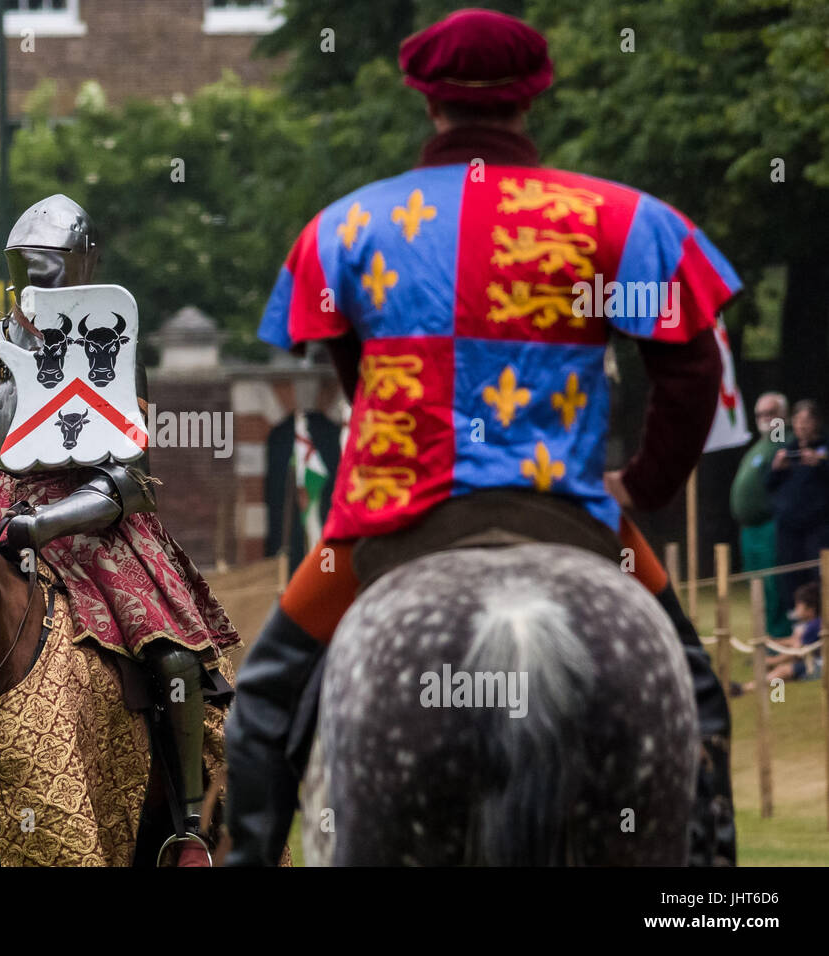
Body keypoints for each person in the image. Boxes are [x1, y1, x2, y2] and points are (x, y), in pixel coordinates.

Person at [224, 8, 740, 866]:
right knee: (698, 699)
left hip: (388, 524)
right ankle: (714, 890)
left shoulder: (344, 229)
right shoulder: (624, 222)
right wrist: (643, 486)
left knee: (262, 708)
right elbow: (688, 377)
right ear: (532, 96)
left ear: (426, 99)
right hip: (572, 518)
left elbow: (351, 371)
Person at [0, 195, 240, 861]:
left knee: (172, 657)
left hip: (97, 527)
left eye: (53, 266)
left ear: (85, 263)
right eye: (30, 266)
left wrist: (44, 524)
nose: (40, 280)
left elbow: (131, 478)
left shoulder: (110, 342)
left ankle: (187, 824)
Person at [731, 392, 793, 638]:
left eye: (771, 413)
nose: (765, 418)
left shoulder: (784, 443)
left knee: (773, 584)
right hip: (750, 529)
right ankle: (763, 639)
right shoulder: (761, 444)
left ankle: (779, 639)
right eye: (760, 414)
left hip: (770, 526)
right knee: (756, 587)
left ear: (783, 416)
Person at [767, 399, 829, 608]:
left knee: (818, 575)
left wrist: (820, 464)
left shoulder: (824, 446)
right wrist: (776, 468)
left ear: (817, 422)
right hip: (788, 529)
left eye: (807, 420)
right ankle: (797, 624)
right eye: (798, 420)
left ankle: (821, 622)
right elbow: (768, 484)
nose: (802, 425)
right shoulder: (786, 446)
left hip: (817, 528)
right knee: (789, 577)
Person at [744, 581, 824, 693]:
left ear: (810, 609)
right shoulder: (812, 623)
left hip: (819, 666)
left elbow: (795, 651)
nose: (795, 609)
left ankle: (744, 689)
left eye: (798, 605)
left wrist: (772, 661)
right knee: (782, 672)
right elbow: (794, 642)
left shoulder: (813, 626)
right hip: (814, 662)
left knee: (782, 670)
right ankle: (750, 687)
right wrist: (772, 642)